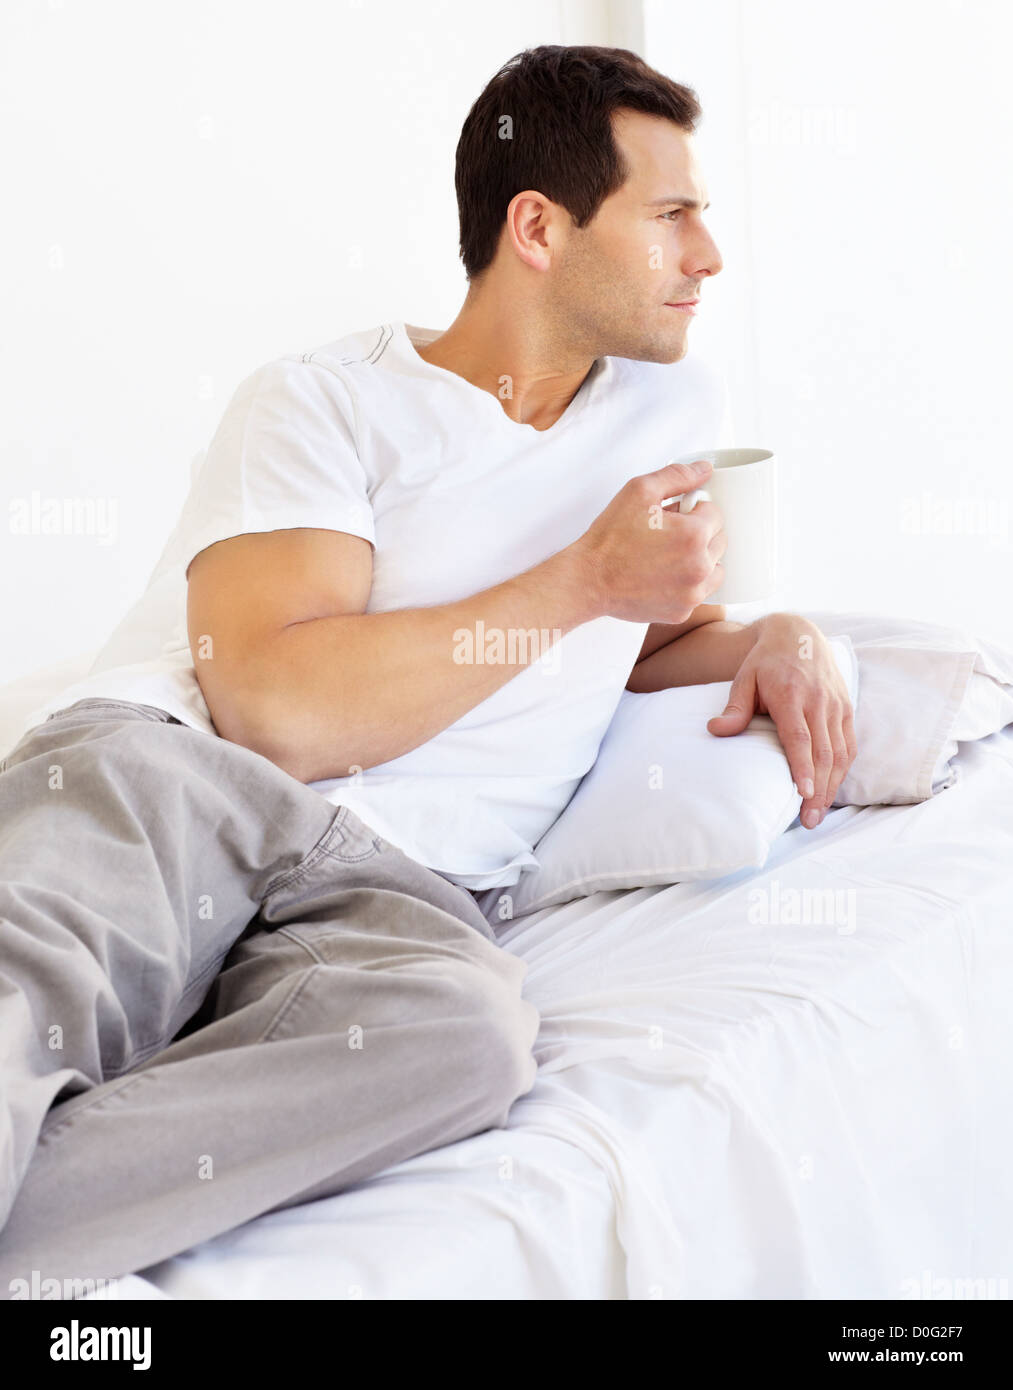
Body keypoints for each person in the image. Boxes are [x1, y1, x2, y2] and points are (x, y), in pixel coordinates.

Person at [0, 44, 856, 1294]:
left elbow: (607, 639)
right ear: (538, 228)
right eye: (671, 215)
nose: (708, 256)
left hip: (404, 886)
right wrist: (584, 577)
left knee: (463, 1038)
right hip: (178, 781)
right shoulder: (324, 402)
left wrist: (770, 634)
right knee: (23, 988)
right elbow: (277, 712)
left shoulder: (671, 412)